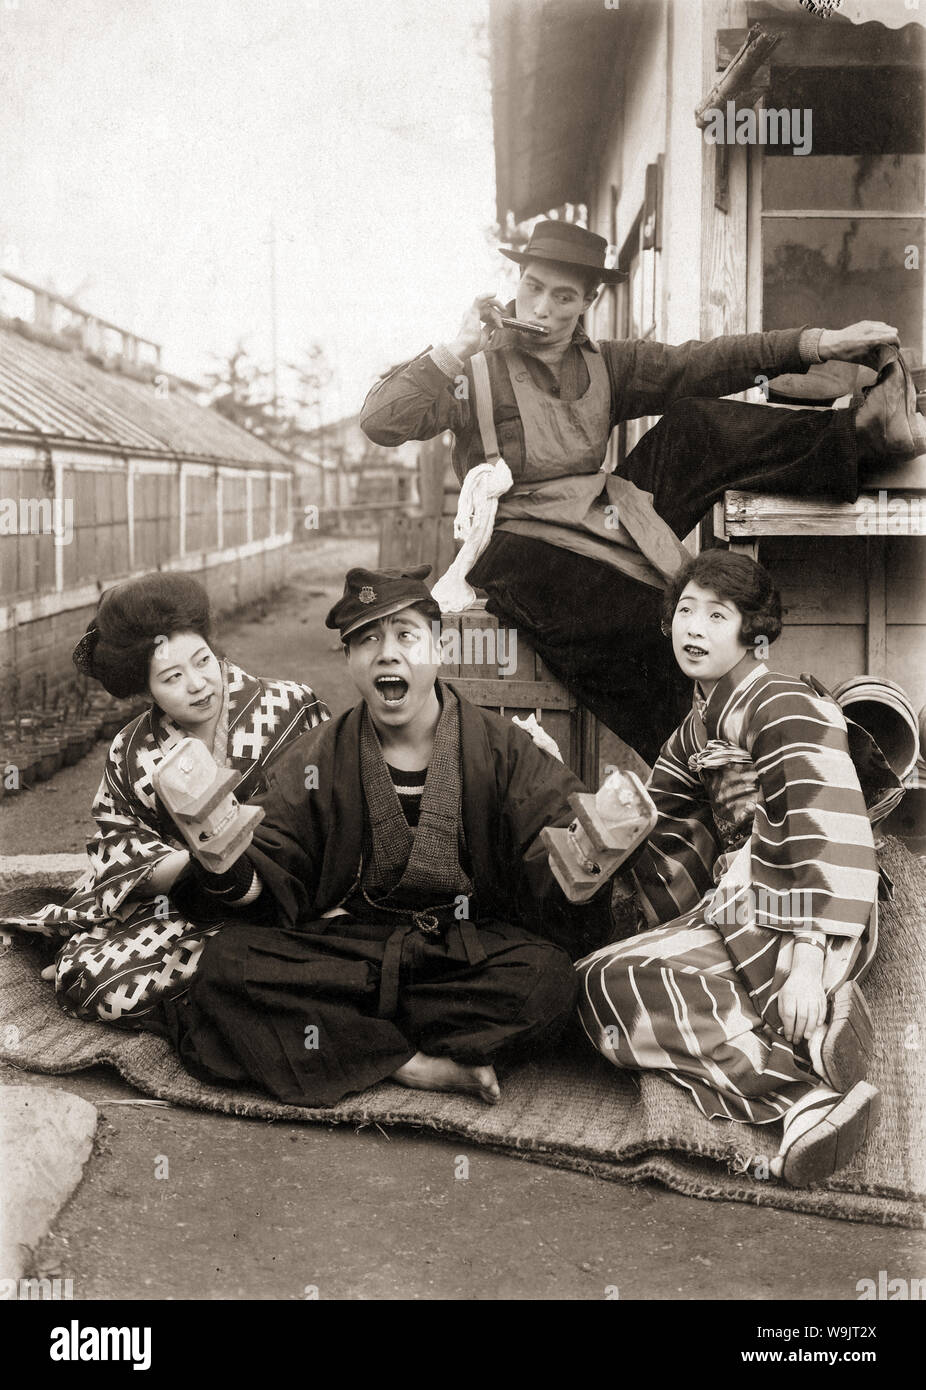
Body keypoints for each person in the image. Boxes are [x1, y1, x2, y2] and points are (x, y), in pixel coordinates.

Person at [360, 219, 925, 764]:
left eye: (562, 297)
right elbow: (381, 421)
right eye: (532, 288)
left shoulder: (607, 364)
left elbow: (701, 363)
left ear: (586, 304)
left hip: (601, 516)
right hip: (520, 546)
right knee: (642, 620)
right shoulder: (475, 371)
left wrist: (820, 343)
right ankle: (700, 768)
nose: (541, 309)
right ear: (517, 283)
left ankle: (867, 433)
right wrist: (456, 345)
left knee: (695, 425)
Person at [156, 564, 610, 1109]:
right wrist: (222, 856)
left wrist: (591, 853)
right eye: (367, 639)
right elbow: (275, 865)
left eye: (406, 636)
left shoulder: (501, 748)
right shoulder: (321, 755)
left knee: (547, 982)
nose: (387, 653)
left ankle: (344, 1040)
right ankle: (414, 1065)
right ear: (349, 660)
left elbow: (552, 845)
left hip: (463, 954)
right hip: (355, 949)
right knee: (227, 965)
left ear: (439, 649)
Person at [574, 550, 882, 1187]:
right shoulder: (698, 722)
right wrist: (569, 794)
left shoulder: (781, 702)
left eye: (718, 615)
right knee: (600, 983)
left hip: (807, 911)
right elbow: (654, 816)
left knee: (723, 900)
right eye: (686, 610)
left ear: (754, 634)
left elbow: (822, 821)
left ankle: (801, 1097)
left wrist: (806, 960)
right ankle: (810, 1048)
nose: (694, 628)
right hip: (734, 905)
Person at [2, 573, 329, 1024]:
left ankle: (213, 1006)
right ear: (146, 687)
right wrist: (203, 862)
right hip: (191, 904)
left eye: (203, 661)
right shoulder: (130, 748)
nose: (197, 684)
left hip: (295, 890)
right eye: (173, 677)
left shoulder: (292, 705)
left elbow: (334, 801)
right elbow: (119, 844)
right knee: (98, 983)